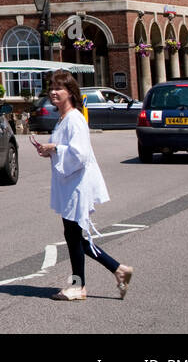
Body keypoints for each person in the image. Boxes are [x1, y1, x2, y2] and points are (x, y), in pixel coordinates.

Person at [32, 70, 133, 301]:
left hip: (77, 185)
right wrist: (49, 151)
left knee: (73, 235)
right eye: (52, 88)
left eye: (59, 88)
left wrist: (54, 149)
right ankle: (117, 270)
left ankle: (80, 285)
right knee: (74, 236)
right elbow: (65, 148)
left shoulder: (75, 119)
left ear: (70, 92)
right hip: (69, 182)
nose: (54, 92)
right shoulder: (64, 118)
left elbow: (80, 154)